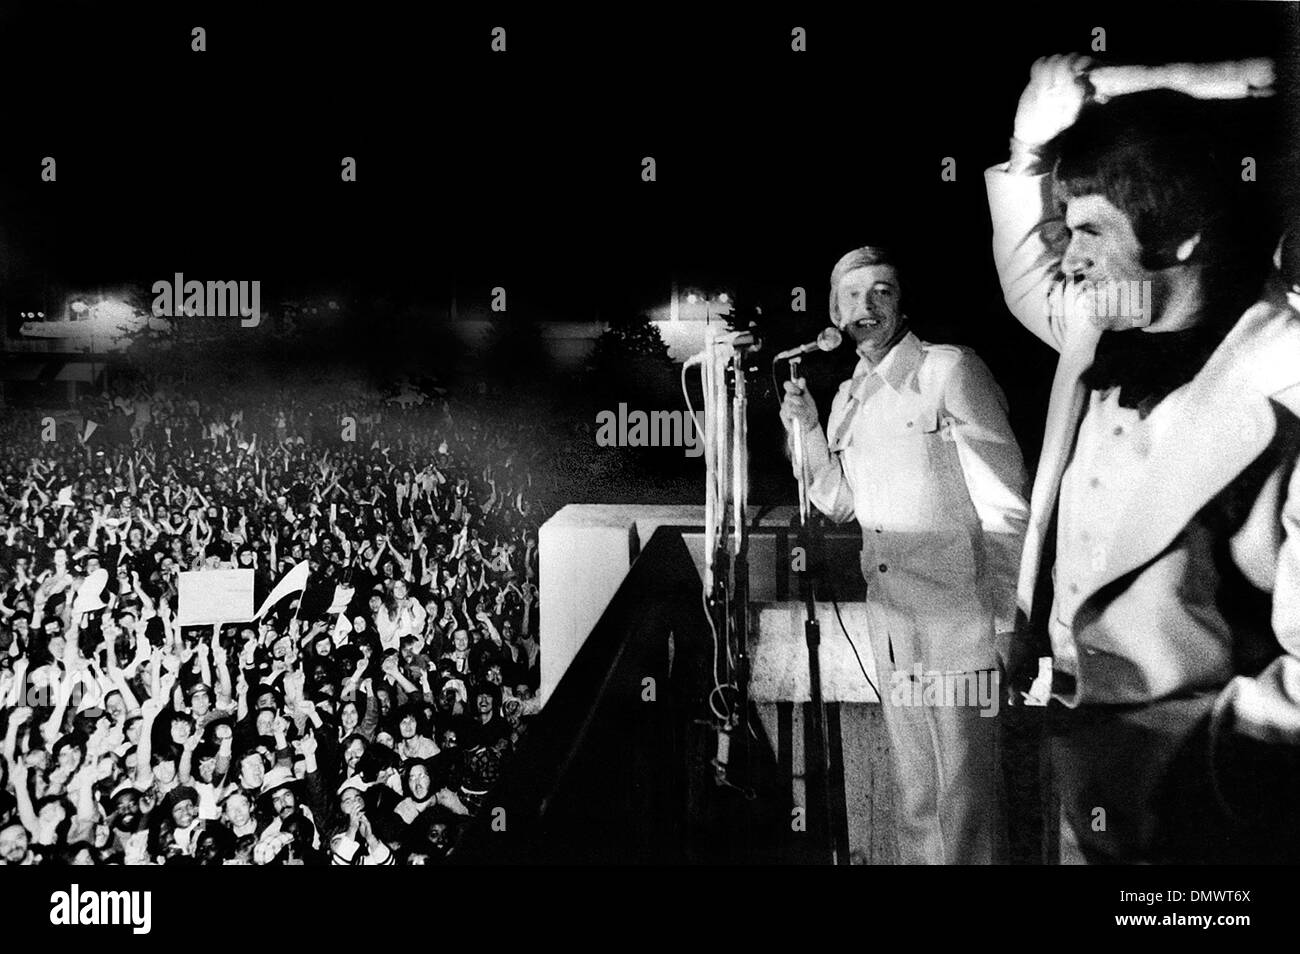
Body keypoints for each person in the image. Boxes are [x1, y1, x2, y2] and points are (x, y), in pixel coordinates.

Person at [987, 53, 1300, 863]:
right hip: (1086, 791)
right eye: (1066, 227)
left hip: (1216, 824)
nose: (1068, 256)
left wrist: (1185, 774)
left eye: (1090, 230)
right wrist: (1029, 147)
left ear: (1182, 235)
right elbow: (1028, 260)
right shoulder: (1095, 329)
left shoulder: (1288, 385)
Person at [779, 245, 1029, 863]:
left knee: (967, 805)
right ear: (834, 313)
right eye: (852, 296)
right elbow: (838, 502)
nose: (867, 307)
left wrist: (1005, 621)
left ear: (902, 302)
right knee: (917, 799)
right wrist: (807, 430)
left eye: (882, 291)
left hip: (960, 625)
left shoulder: (948, 371)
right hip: (892, 625)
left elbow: (1006, 508)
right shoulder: (847, 398)